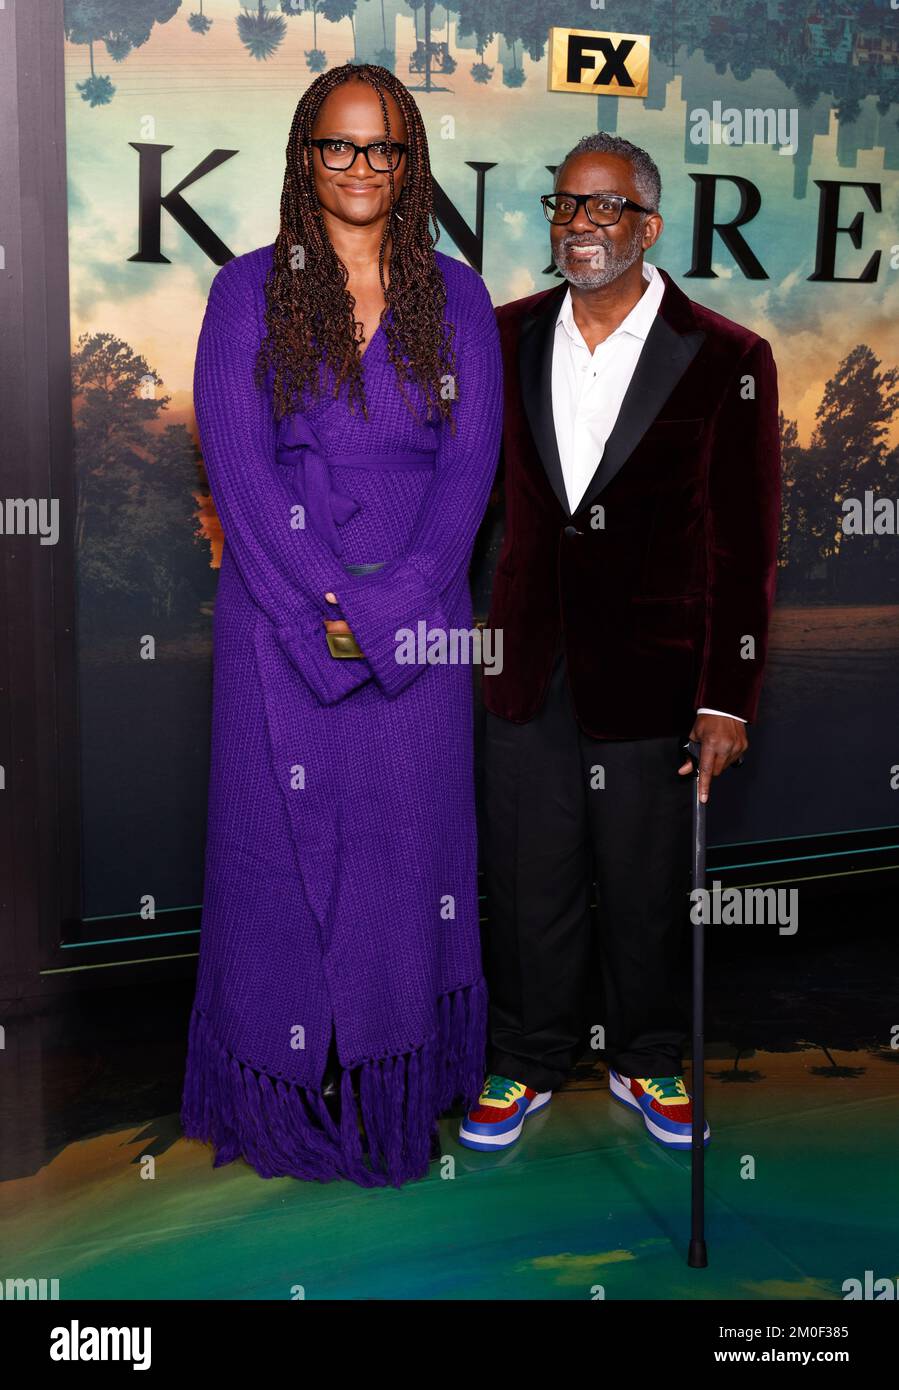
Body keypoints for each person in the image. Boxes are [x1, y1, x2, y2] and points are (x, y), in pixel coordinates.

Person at [181, 64, 502, 1187]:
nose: (360, 166)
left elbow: (469, 478)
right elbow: (241, 469)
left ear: (410, 165)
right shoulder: (247, 289)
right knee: (275, 863)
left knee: (404, 869)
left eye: (383, 148)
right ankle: (288, 1082)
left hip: (416, 636)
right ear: (302, 155)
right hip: (277, 623)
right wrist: (326, 607)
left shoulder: (456, 297)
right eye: (338, 145)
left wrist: (386, 612)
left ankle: (393, 1087)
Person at [459, 132, 780, 1154]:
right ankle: (523, 1057)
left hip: (650, 674)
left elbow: (743, 541)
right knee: (523, 878)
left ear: (646, 226)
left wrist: (725, 694)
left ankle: (644, 1056)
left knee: (645, 883)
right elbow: (471, 512)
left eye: (603, 210)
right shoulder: (500, 336)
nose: (579, 226)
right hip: (523, 663)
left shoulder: (726, 358)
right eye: (563, 207)